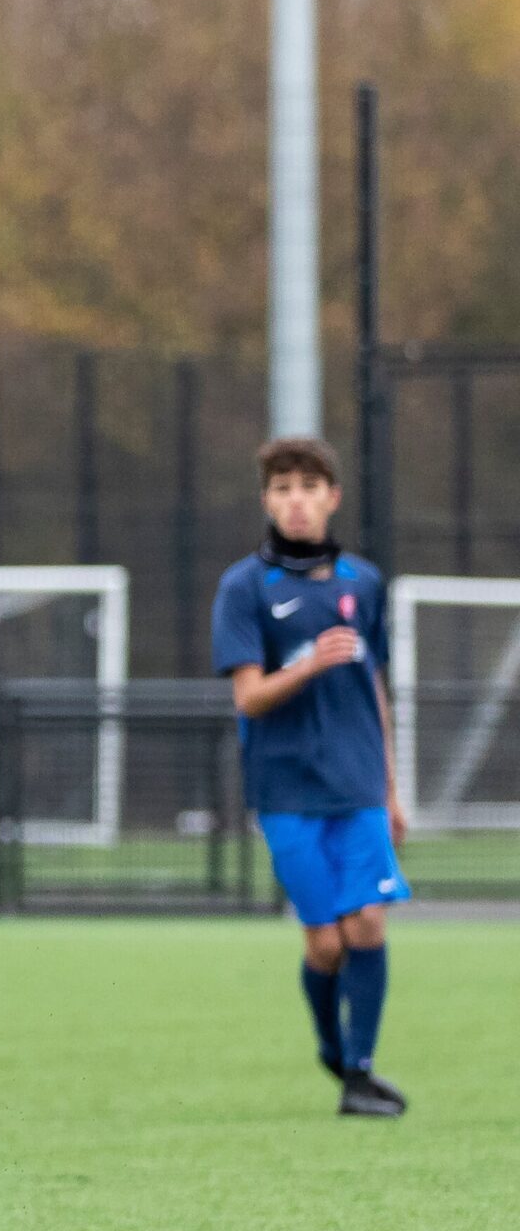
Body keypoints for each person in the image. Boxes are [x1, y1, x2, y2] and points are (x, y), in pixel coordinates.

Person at [210, 437, 409, 1119]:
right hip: (287, 788)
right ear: (267, 501)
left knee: (369, 925)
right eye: (282, 488)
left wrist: (391, 788)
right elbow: (249, 698)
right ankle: (333, 1046)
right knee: (325, 942)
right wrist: (310, 664)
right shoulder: (244, 588)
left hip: (359, 784)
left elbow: (374, 688)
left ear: (333, 497)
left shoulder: (364, 584)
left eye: (308, 487)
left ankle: (360, 1073)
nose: (296, 501)